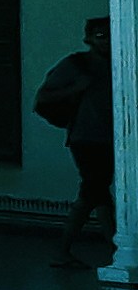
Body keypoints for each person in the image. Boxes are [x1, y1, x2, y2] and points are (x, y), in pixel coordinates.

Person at [37, 14, 116, 268]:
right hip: (86, 137)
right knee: (94, 191)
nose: (106, 41)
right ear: (89, 39)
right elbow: (44, 98)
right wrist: (76, 88)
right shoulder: (76, 65)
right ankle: (64, 249)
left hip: (111, 138)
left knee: (97, 193)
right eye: (101, 36)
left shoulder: (119, 62)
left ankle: (113, 247)